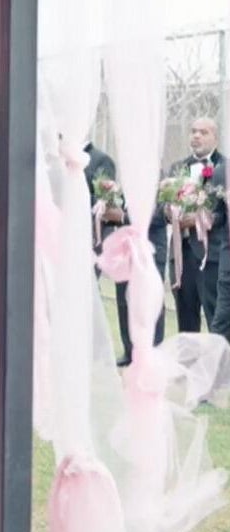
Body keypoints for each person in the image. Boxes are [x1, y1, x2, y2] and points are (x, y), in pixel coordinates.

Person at [83, 141, 168, 366]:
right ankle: (129, 350)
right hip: (128, 250)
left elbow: (158, 217)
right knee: (123, 299)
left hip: (150, 249)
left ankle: (152, 351)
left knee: (149, 302)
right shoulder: (126, 184)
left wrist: (120, 217)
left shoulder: (159, 182)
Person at [166, 117, 224, 332]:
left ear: (215, 137)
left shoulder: (225, 167)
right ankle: (189, 356)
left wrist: (202, 220)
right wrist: (171, 213)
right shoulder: (177, 168)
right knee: (186, 322)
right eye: (193, 131)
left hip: (212, 257)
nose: (196, 136)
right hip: (181, 256)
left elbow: (224, 213)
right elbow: (164, 205)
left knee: (216, 320)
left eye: (203, 132)